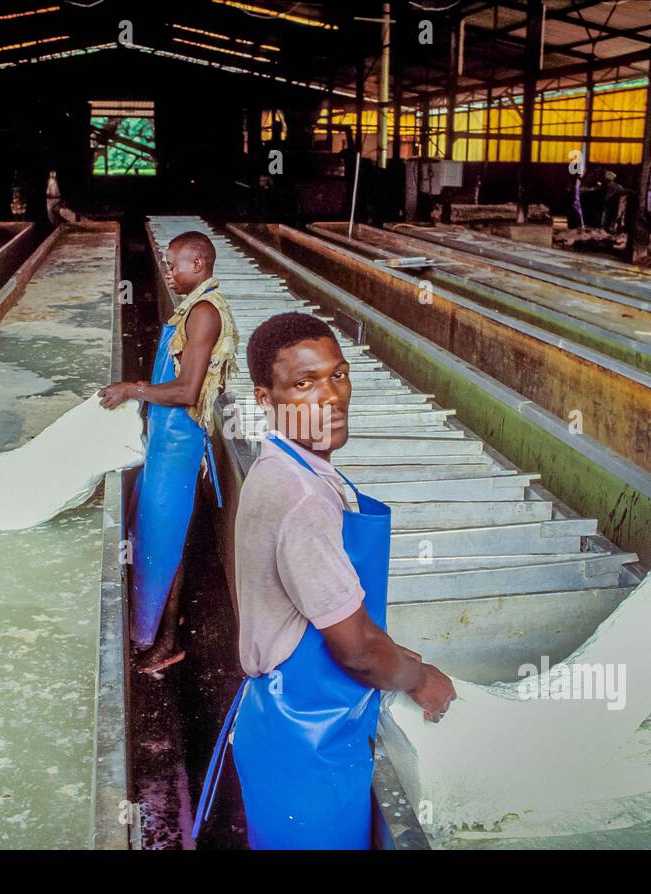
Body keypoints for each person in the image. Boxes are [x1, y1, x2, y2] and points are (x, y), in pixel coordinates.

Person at [193, 312, 456, 850]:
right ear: (265, 399)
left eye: (338, 375)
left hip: (288, 724)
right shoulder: (303, 501)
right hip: (307, 749)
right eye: (304, 384)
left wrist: (395, 653)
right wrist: (421, 679)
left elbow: (325, 613)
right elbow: (356, 650)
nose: (330, 397)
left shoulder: (291, 469)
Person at [97, 231, 238, 673]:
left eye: (173, 263)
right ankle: (156, 628)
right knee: (154, 534)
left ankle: (164, 641)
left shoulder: (203, 313)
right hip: (165, 439)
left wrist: (133, 389)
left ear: (197, 264)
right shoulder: (193, 309)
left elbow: (187, 390)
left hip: (179, 443)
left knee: (164, 539)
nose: (168, 272)